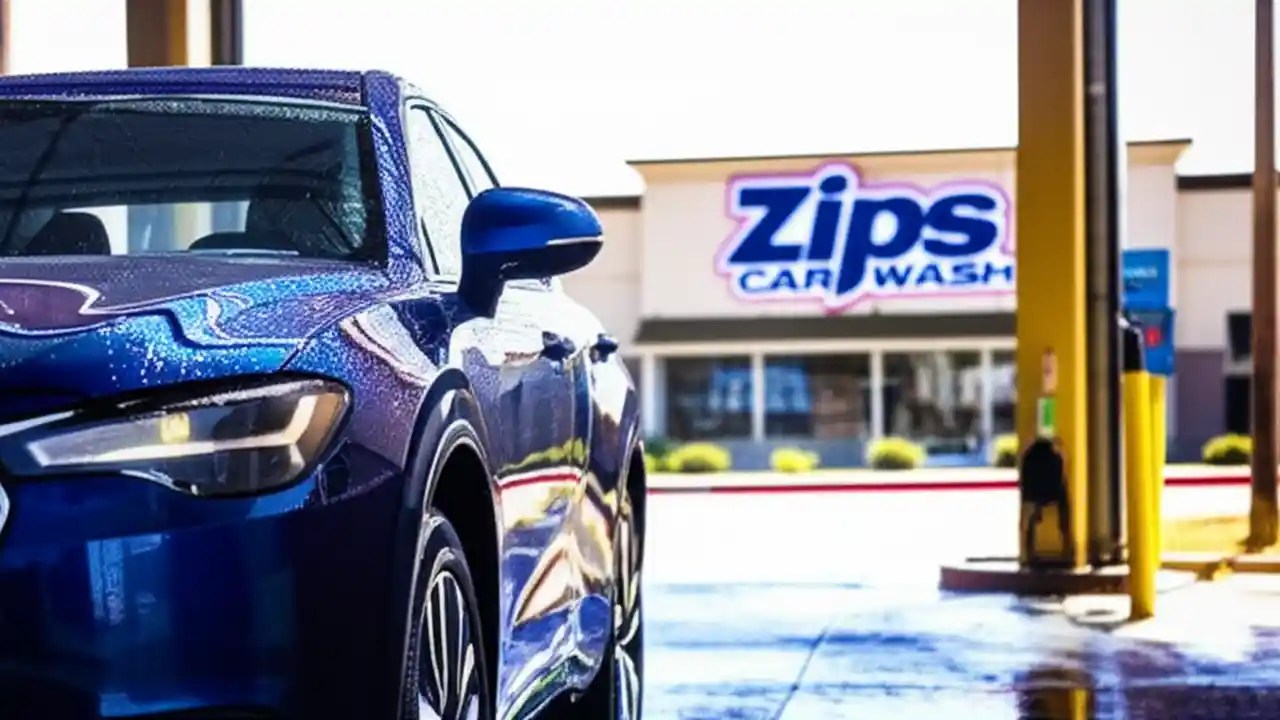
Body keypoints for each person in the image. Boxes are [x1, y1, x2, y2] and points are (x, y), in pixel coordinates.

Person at [1019, 436, 1074, 566]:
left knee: (1028, 515)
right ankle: (1067, 545)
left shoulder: (1029, 457)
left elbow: (1023, 481)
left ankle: (1028, 551)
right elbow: (1062, 477)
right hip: (1052, 494)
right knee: (1065, 506)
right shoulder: (1056, 458)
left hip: (1032, 495)